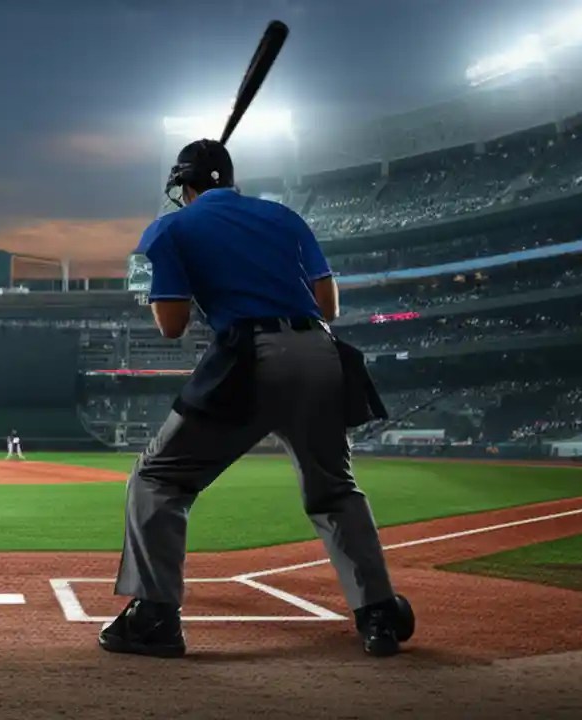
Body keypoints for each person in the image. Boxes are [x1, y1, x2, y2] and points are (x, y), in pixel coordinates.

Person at [99, 139, 412, 658]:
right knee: (334, 489)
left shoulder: (171, 228)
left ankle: (155, 616)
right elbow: (327, 306)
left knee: (159, 478)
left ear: (184, 187)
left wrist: (180, 270)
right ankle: (378, 614)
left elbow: (172, 326)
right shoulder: (284, 216)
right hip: (319, 351)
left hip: (248, 356)